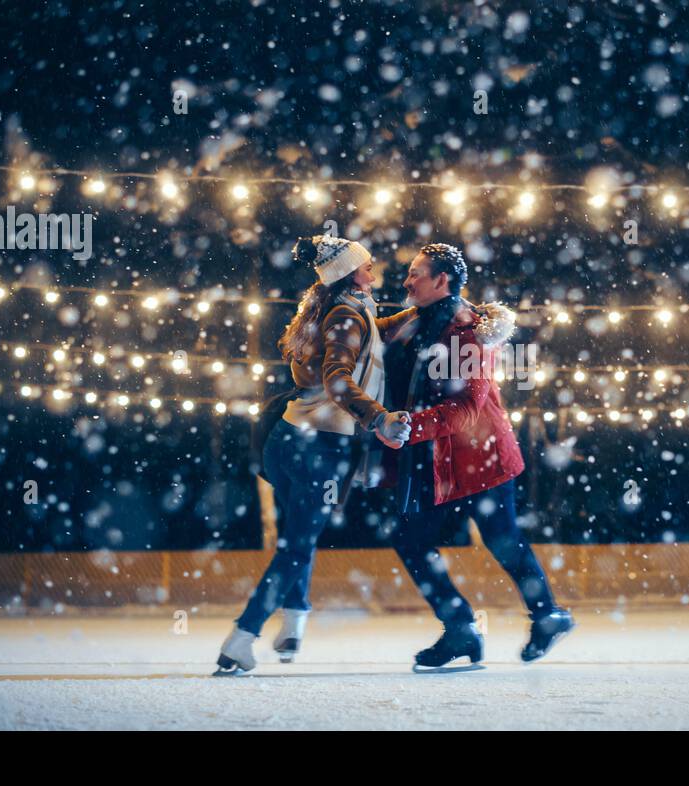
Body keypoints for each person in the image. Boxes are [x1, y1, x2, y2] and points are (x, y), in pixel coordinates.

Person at [216, 235, 414, 674]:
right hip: (319, 448)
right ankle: (242, 637)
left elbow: (370, 334)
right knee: (296, 546)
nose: (373, 272)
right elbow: (338, 380)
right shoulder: (346, 313)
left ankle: (294, 622)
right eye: (366, 266)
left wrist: (416, 316)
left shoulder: (341, 309)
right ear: (348, 273)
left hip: (287, 442)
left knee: (298, 538)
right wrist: (378, 418)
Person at [380, 242, 575, 670]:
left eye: (416, 273)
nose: (408, 281)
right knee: (415, 540)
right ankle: (469, 627)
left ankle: (536, 617)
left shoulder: (467, 331)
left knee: (500, 541)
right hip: (443, 461)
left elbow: (467, 408)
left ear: (441, 280)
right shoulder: (417, 320)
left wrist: (410, 426)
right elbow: (373, 330)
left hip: (481, 461)